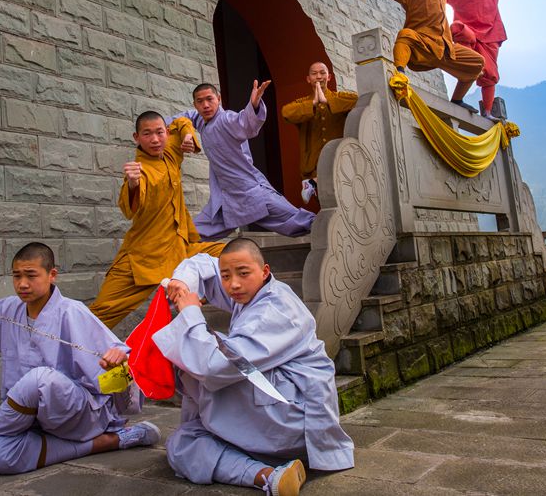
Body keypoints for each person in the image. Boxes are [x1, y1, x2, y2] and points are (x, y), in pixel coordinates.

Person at [0, 242, 159, 476]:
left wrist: (118, 363)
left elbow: (124, 364)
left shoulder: (73, 312)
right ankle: (113, 441)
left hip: (78, 415)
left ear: (51, 275)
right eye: (17, 276)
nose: (22, 283)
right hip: (32, 419)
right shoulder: (11, 309)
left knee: (39, 379)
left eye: (31, 275)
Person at [156, 238, 355, 495]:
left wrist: (191, 314)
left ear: (265, 271)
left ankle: (241, 444)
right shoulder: (249, 291)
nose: (233, 284)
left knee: (197, 361)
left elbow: (216, 366)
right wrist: (181, 282)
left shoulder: (276, 309)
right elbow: (202, 264)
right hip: (271, 412)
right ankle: (268, 477)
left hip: (295, 419)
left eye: (243, 273)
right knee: (182, 444)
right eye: (226, 276)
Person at [89, 111, 225, 329]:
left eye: (159, 132)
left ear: (166, 132)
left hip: (179, 249)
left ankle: (195, 299)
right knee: (101, 313)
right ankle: (61, 348)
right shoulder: (140, 171)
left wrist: (189, 135)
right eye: (147, 134)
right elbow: (129, 208)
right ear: (137, 137)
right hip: (144, 258)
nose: (154, 139)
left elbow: (183, 122)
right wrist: (132, 184)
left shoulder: (170, 151)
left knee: (228, 256)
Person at [178, 81, 315, 240]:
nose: (206, 105)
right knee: (190, 235)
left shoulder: (226, 120)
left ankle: (335, 229)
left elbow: (244, 122)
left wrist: (254, 105)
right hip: (224, 202)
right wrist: (187, 133)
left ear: (219, 99)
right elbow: (180, 120)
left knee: (300, 221)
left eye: (210, 99)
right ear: (194, 104)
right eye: (200, 101)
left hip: (251, 193)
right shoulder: (200, 120)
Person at [363, 0, 485, 112]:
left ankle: (457, 99)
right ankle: (399, 74)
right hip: (422, 45)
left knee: (478, 63)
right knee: (405, 34)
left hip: (446, 48)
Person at [447, 0, 546, 117]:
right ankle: (460, 84)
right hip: (467, 35)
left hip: (489, 36)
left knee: (490, 74)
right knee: (461, 39)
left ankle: (487, 112)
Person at [281, 62, 358, 203]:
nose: (318, 77)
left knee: (346, 202)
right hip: (313, 163)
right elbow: (286, 113)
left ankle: (313, 182)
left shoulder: (339, 97)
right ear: (308, 79)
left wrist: (326, 101)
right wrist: (313, 103)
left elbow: (357, 101)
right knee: (327, 204)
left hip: (340, 159)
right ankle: (314, 181)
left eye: (322, 73)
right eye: (314, 73)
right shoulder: (302, 102)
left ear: (329, 77)